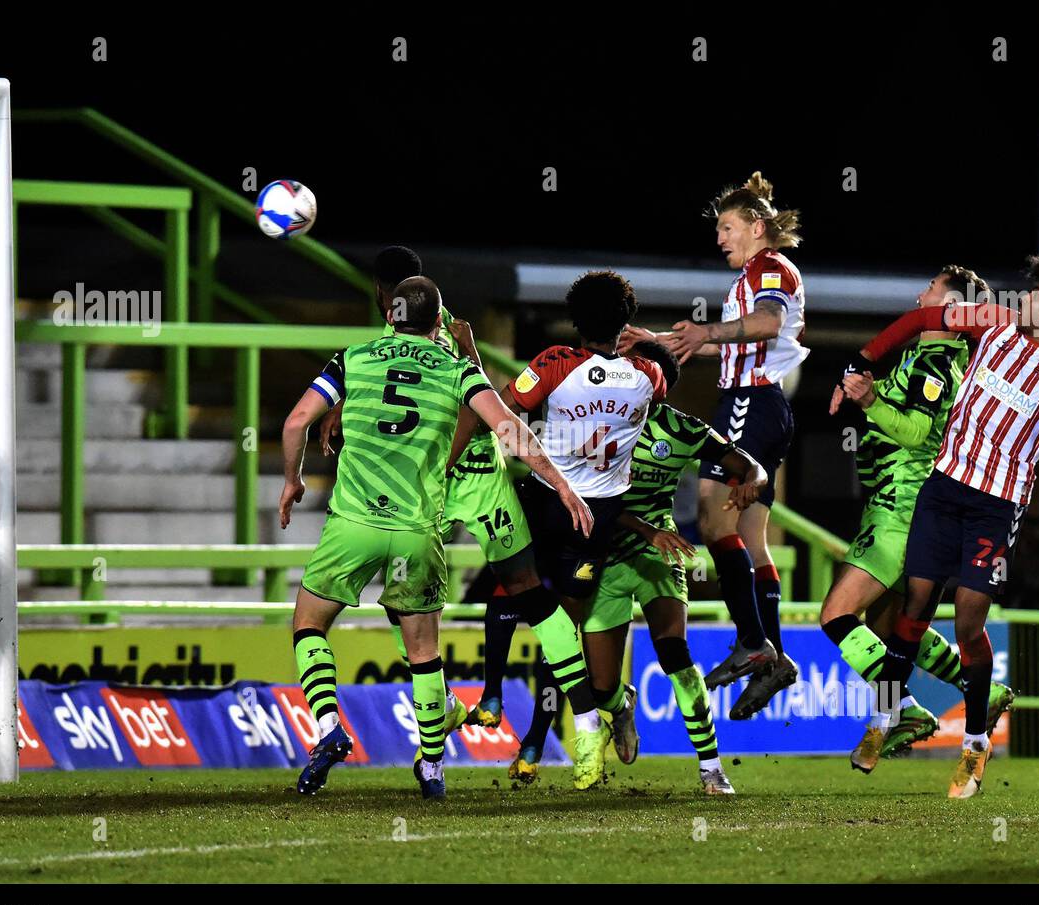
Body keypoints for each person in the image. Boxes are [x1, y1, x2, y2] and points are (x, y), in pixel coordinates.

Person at [279, 276, 593, 799]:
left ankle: (329, 727)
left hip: (352, 525)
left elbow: (295, 423)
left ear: (391, 314)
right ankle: (430, 767)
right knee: (424, 651)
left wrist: (293, 479)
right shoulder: (457, 369)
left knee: (310, 623)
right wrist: (562, 486)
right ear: (438, 320)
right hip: (417, 531)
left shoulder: (353, 357)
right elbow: (511, 431)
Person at [834, 248, 1039, 797]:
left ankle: (974, 744)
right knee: (913, 610)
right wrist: (863, 359)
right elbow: (924, 319)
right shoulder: (994, 323)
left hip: (997, 506)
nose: (1030, 296)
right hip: (943, 490)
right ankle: (882, 721)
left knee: (969, 622)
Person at [621, 171, 807, 719]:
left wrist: (708, 333)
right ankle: (774, 658)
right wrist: (657, 340)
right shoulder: (752, 273)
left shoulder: (770, 269)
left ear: (754, 225)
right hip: (762, 404)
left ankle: (753, 643)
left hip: (751, 403)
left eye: (727, 227)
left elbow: (769, 323)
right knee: (751, 540)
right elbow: (720, 343)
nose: (720, 238)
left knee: (711, 519)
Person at [475, 271, 668, 787]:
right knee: (564, 632)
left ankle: (492, 692)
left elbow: (502, 407)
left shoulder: (554, 363)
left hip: (546, 500)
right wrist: (640, 337)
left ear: (576, 320)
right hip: (598, 519)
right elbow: (658, 367)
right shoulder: (649, 375)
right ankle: (536, 740)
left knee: (509, 589)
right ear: (624, 323)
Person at [821, 266, 1014, 763]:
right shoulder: (929, 358)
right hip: (896, 504)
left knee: (837, 614)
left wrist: (868, 402)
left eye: (930, 289)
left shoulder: (935, 363)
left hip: (900, 508)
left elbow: (912, 433)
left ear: (952, 309)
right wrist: (865, 389)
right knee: (894, 626)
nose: (920, 295)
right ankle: (984, 695)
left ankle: (902, 706)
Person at [577, 340, 769, 794]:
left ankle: (711, 768)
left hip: (657, 555)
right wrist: (644, 528)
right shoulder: (598, 421)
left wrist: (751, 483)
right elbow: (590, 498)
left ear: (656, 385)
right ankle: (621, 707)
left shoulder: (683, 430)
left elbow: (748, 464)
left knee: (674, 654)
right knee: (601, 686)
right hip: (607, 551)